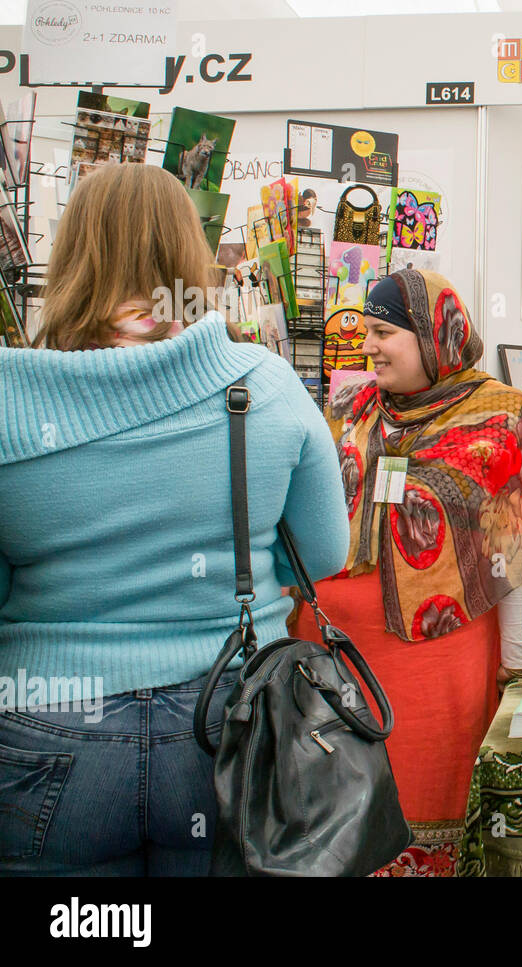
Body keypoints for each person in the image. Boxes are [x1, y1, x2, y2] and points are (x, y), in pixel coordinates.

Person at [0, 163, 350, 875]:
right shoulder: (266, 385)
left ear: (71, 255)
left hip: (47, 720)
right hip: (231, 717)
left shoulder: (11, 398)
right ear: (187, 258)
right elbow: (325, 551)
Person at [299, 268, 522, 876]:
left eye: (384, 332)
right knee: (334, 832)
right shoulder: (348, 407)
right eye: (365, 331)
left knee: (427, 822)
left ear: (434, 336)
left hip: (438, 671)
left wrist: (521, 671)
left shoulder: (505, 417)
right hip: (331, 664)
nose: (368, 346)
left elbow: (515, 555)